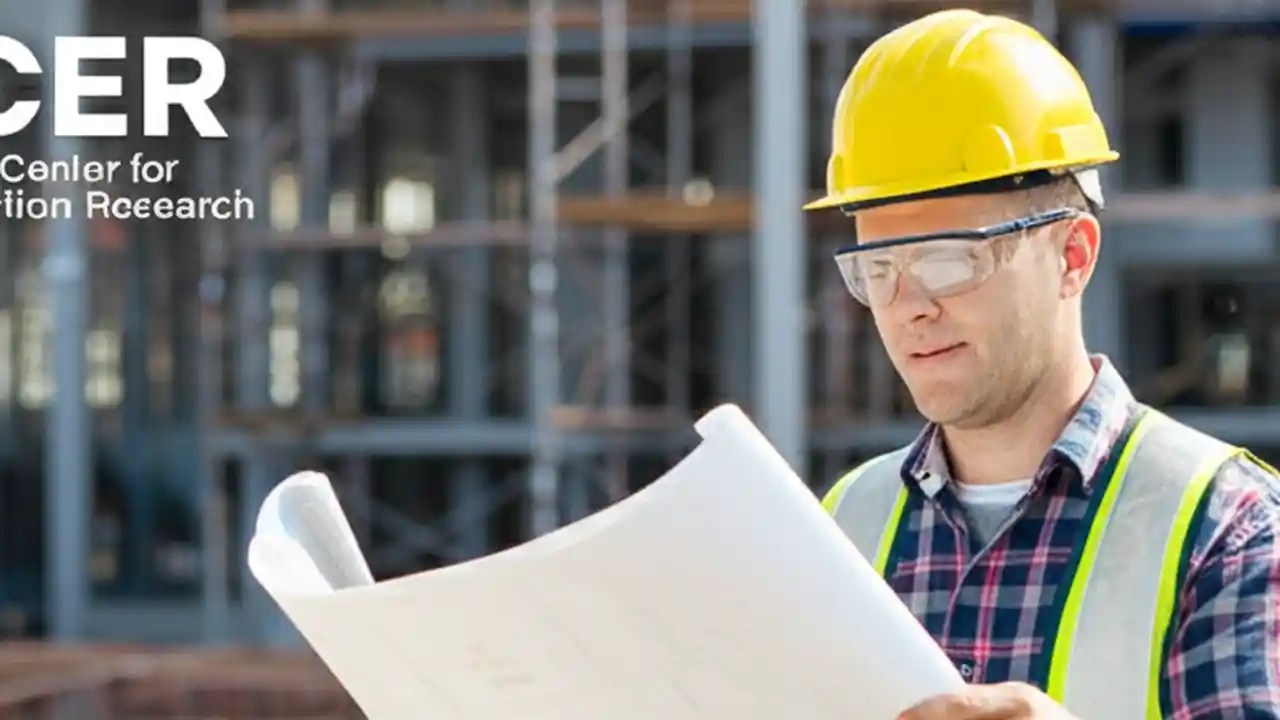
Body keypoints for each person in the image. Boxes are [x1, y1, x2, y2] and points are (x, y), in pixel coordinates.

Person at [805, 9, 1280, 720]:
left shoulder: (1224, 527)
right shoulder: (838, 527)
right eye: (878, 269)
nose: (909, 307)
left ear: (1073, 255)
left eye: (948, 259)